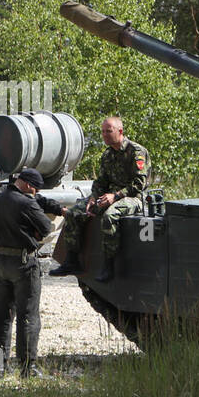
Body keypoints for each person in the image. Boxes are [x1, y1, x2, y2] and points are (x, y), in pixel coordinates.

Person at [50, 115, 150, 283]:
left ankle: (109, 265)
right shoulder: (107, 155)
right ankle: (72, 261)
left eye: (108, 131)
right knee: (74, 213)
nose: (104, 135)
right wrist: (93, 197)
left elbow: (139, 183)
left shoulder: (136, 152)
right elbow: (101, 181)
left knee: (110, 216)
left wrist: (116, 196)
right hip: (109, 195)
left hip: (133, 197)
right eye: (103, 132)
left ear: (120, 132)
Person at [0, 167, 60, 377]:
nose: (36, 193)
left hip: (2, 261)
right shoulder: (26, 202)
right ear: (28, 185)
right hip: (24, 262)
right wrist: (32, 231)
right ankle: (28, 367)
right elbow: (46, 227)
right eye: (35, 189)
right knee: (28, 315)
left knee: (2, 316)